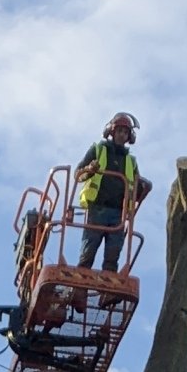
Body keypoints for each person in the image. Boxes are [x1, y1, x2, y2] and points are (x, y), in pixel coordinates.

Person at [76, 112, 145, 272]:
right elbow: (78, 174)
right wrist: (90, 170)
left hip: (118, 213)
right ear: (112, 132)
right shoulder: (98, 150)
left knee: (112, 255)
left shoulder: (131, 161)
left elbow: (137, 188)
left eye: (126, 132)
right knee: (89, 250)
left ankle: (108, 291)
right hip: (98, 208)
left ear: (130, 136)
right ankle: (80, 285)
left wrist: (142, 188)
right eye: (119, 131)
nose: (122, 135)